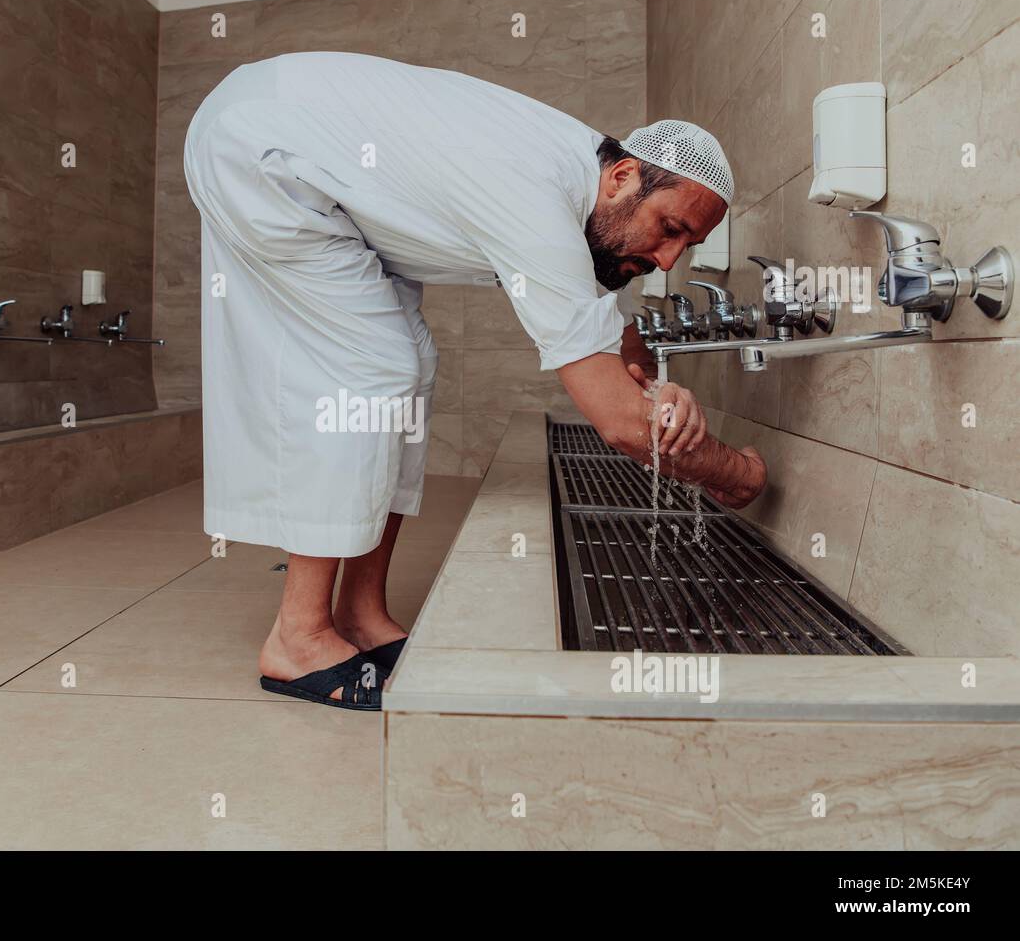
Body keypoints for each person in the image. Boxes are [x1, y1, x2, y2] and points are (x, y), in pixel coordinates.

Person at [183, 52, 766, 710]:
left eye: (682, 248)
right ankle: (298, 639)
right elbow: (617, 423)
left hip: (304, 154)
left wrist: (654, 388)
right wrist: (735, 475)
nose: (666, 262)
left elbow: (621, 338)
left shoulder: (596, 200)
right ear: (624, 176)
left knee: (410, 367)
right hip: (260, 149)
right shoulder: (538, 197)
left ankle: (361, 615)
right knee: (374, 370)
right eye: (670, 232)